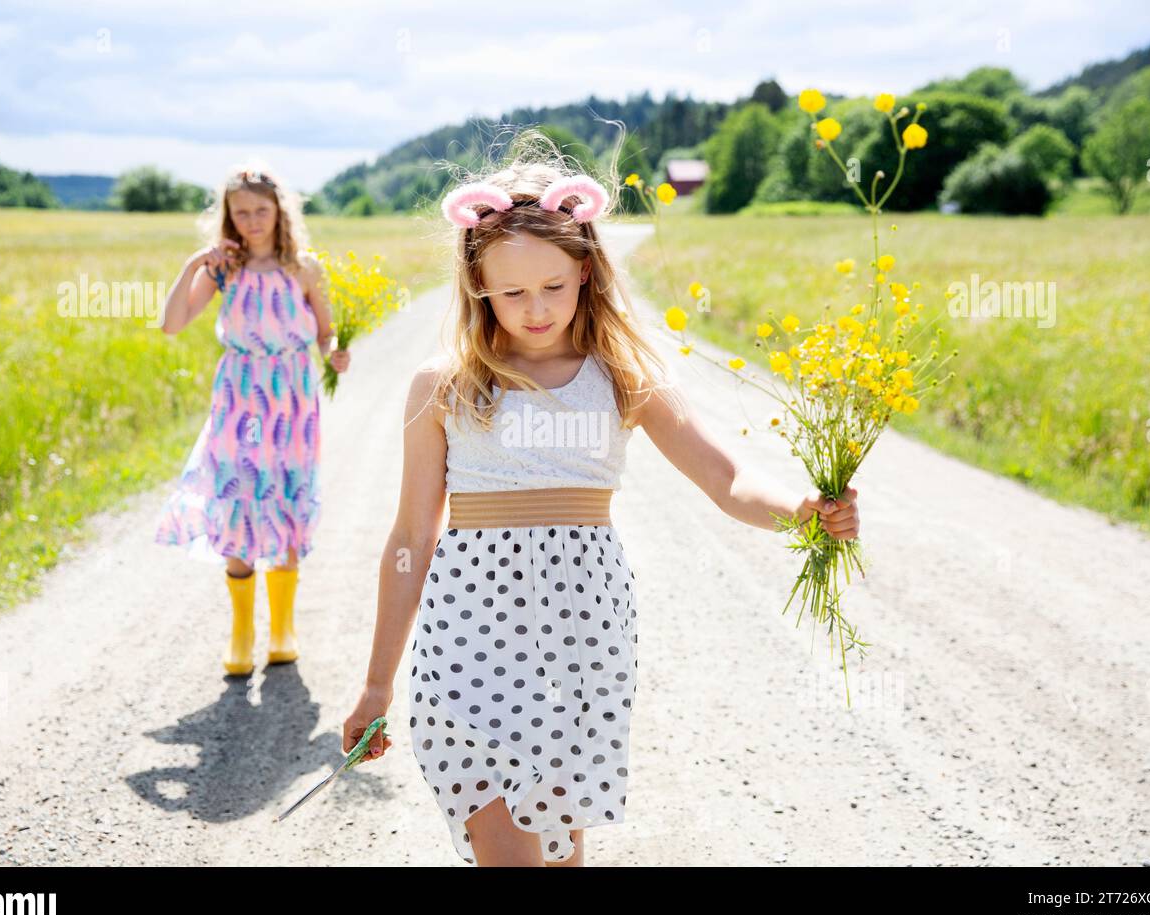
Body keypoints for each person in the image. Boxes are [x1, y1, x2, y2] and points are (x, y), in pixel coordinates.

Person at [342, 133, 859, 866]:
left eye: (553, 286)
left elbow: (725, 480)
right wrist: (374, 685)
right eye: (512, 291)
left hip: (580, 635)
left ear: (585, 270)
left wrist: (804, 511)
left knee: (559, 849)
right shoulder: (443, 384)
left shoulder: (622, 376)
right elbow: (410, 540)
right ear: (477, 283)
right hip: (467, 636)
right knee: (505, 848)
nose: (535, 309)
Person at [155, 161, 351, 675]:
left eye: (261, 210)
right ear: (228, 216)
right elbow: (171, 324)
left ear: (279, 211)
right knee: (238, 497)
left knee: (285, 495)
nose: (251, 221)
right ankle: (242, 635)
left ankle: (283, 631)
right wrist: (196, 263)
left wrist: (334, 352)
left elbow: (324, 332)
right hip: (239, 400)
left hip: (292, 397)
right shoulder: (225, 269)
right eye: (240, 212)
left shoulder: (304, 268)